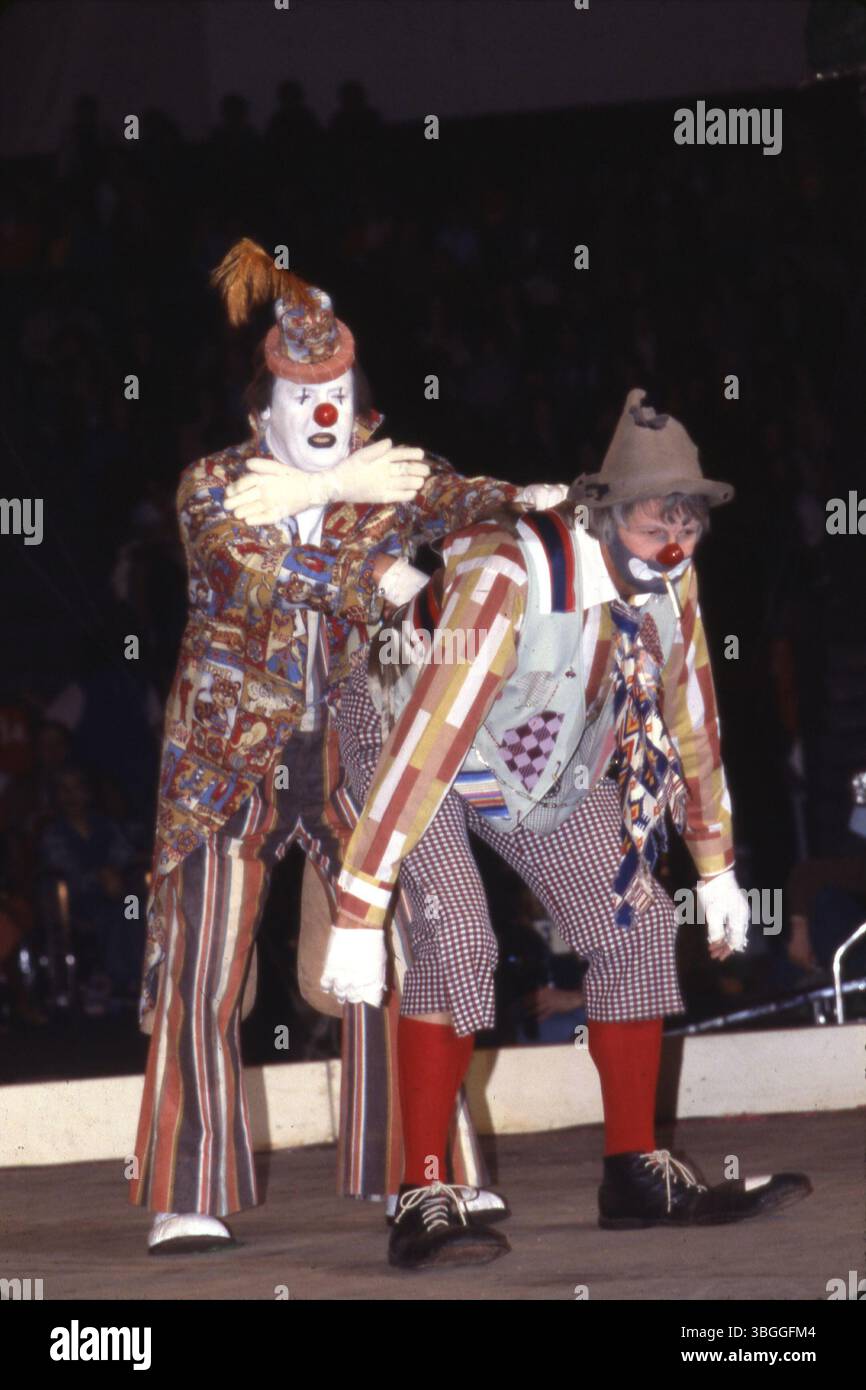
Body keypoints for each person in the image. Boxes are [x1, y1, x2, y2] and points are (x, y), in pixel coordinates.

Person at [130, 238, 559, 1253]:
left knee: (401, 946)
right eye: (300, 394)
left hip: (352, 748)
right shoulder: (210, 486)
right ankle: (185, 1192)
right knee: (199, 970)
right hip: (225, 764)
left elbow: (460, 498)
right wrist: (345, 511)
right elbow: (281, 577)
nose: (323, 412)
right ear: (260, 409)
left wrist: (538, 503)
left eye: (336, 395)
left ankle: (420, 1166)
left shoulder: (382, 467)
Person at [324, 389, 812, 1269]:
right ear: (603, 515)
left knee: (637, 921)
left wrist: (714, 865)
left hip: (538, 741)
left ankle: (634, 1174)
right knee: (460, 938)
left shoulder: (672, 581)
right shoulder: (508, 578)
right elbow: (429, 737)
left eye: (688, 523)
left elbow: (692, 715)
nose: (673, 543)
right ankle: (423, 1190)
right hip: (406, 725)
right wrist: (361, 911)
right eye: (653, 523)